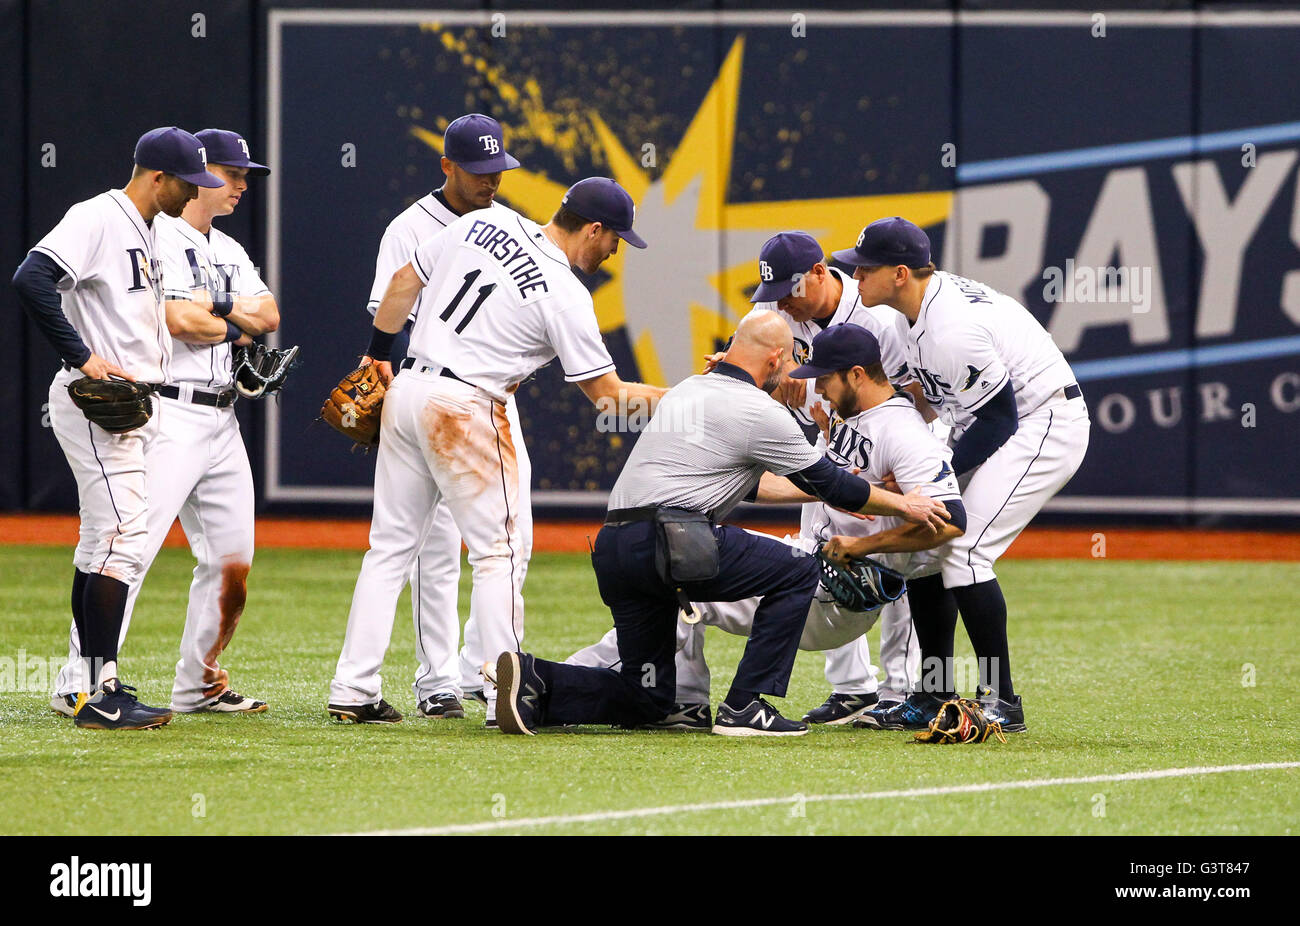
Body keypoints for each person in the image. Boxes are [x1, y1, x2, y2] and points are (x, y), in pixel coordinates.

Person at [492, 309, 951, 737]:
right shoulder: (758, 410)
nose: (792, 371)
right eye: (789, 358)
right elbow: (833, 485)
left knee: (648, 698)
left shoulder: (691, 389)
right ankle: (746, 705)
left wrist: (843, 484)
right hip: (670, 543)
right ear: (774, 357)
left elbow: (752, 485)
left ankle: (536, 683)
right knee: (798, 568)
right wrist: (904, 504)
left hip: (615, 550)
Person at [327, 177, 664, 724]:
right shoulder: (566, 291)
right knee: (498, 555)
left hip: (409, 389)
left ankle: (352, 687)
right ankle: (504, 688)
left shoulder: (487, 221)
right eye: (615, 239)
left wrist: (377, 356)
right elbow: (609, 397)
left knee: (388, 549)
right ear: (594, 229)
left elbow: (403, 280)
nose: (614, 250)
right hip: (468, 405)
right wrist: (693, 398)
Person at [50, 129, 279, 716]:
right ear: (193, 175)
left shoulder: (226, 248)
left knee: (232, 555)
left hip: (224, 412)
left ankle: (199, 683)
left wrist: (219, 312)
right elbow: (178, 320)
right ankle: (81, 681)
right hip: (167, 407)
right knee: (130, 545)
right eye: (233, 174)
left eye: (244, 176)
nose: (240, 185)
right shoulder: (157, 232)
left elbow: (270, 314)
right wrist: (233, 321)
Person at [831, 216, 1090, 731]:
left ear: (900, 273)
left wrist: (935, 476)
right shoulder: (909, 314)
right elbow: (924, 401)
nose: (856, 278)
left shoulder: (950, 328)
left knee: (965, 547)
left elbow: (1000, 418)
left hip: (1044, 420)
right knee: (928, 541)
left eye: (866, 269)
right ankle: (932, 694)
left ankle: (1001, 700)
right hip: (980, 421)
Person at [12, 126, 223, 729]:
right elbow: (30, 279)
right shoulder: (98, 217)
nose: (196, 193)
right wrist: (82, 356)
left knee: (102, 542)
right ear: (157, 176)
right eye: (190, 183)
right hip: (97, 400)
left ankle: (87, 684)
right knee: (121, 543)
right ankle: (100, 695)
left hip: (132, 402)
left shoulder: (152, 228)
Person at [361, 113, 531, 720]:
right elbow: (391, 308)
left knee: (503, 544)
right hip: (430, 390)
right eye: (478, 171)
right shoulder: (409, 227)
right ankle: (436, 678)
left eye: (497, 169)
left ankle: (481, 669)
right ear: (446, 167)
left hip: (487, 396)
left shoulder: (506, 224)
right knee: (433, 548)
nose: (490, 181)